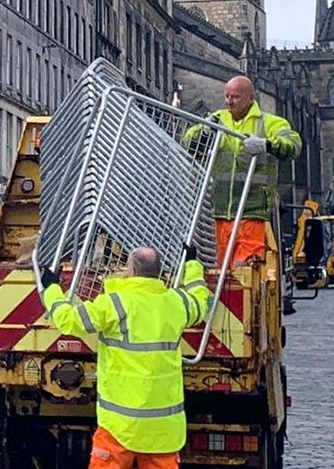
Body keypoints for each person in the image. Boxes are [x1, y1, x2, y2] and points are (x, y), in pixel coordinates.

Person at [38, 246, 209, 469]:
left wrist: (51, 289)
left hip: (118, 427)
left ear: (132, 271)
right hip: (163, 430)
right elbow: (200, 300)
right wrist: (192, 265)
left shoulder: (114, 304)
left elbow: (68, 320)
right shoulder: (176, 303)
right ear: (158, 273)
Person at [183, 76, 302, 265]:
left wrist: (266, 144)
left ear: (250, 98)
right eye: (227, 96)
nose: (229, 101)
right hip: (221, 212)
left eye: (236, 97)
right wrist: (204, 132)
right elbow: (188, 141)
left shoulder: (269, 122)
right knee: (225, 272)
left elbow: (293, 145)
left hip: (253, 211)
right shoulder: (217, 119)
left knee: (245, 270)